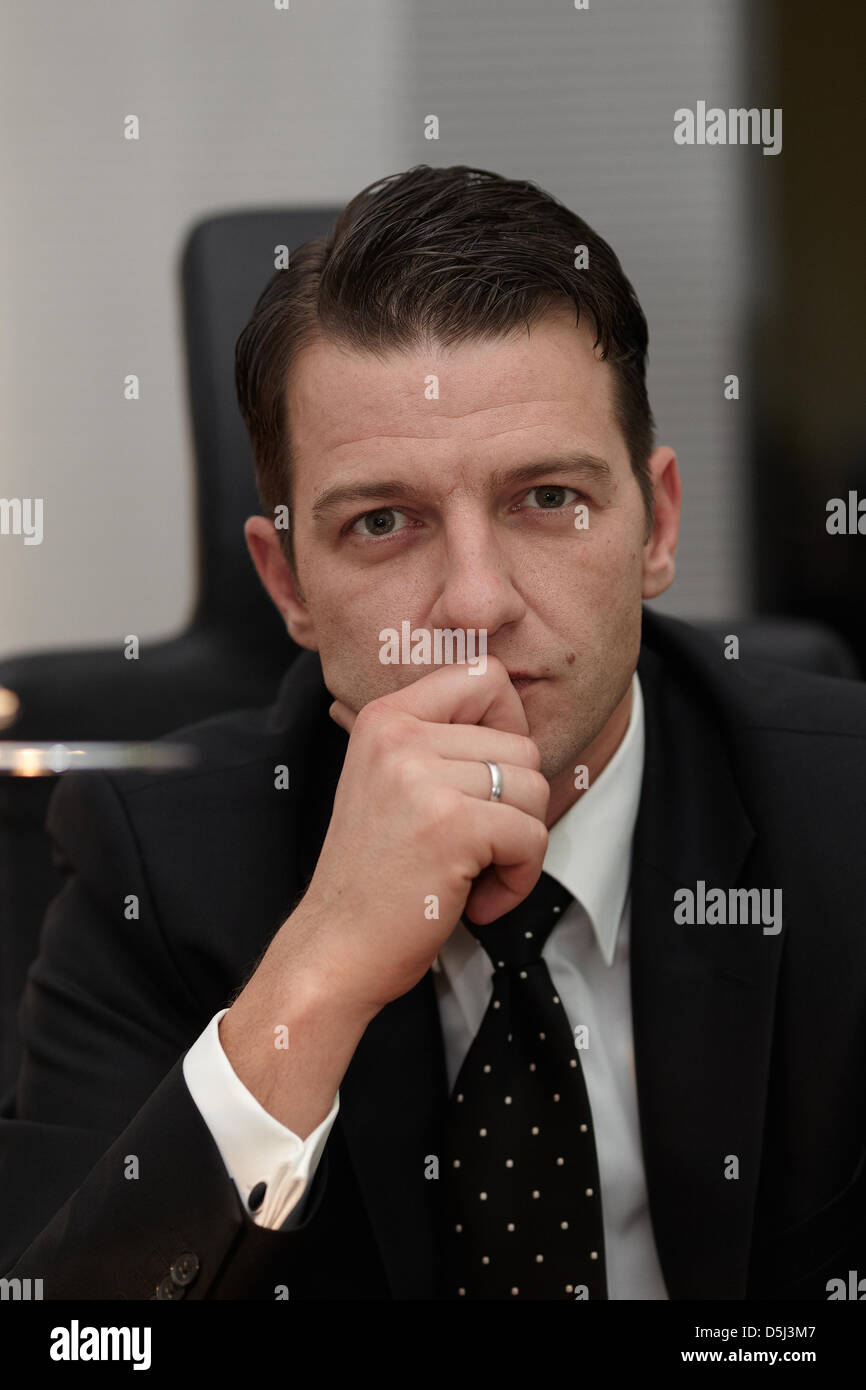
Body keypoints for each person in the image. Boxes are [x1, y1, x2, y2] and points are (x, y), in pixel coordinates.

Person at [1, 165, 864, 1301]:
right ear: (288, 581)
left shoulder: (842, 810)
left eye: (546, 498)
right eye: (382, 521)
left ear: (655, 524)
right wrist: (318, 970)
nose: (473, 602)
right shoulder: (154, 866)